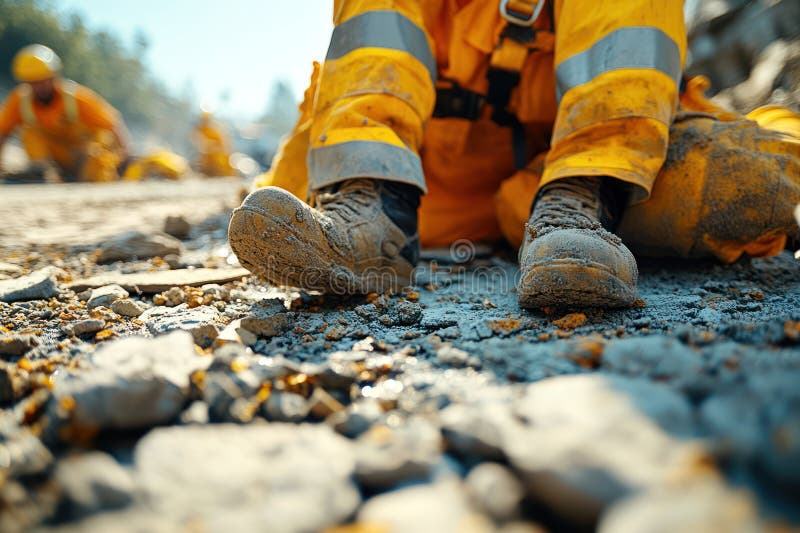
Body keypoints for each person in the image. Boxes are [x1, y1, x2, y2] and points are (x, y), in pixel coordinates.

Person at [228, 0, 800, 308]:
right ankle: (370, 211)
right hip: (419, 186)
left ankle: (577, 202)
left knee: (747, 179)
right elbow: (375, 54)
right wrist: (366, 184)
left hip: (580, 179)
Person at [0, 44, 131, 182]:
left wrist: (126, 156)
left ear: (54, 76)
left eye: (43, 80)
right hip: (54, 160)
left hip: (83, 154)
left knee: (98, 154)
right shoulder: (19, 101)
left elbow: (112, 123)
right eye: (33, 83)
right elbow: (2, 133)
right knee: (29, 133)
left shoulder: (76, 97)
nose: (39, 87)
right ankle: (41, 172)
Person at [192, 110, 236, 177]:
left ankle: (221, 173)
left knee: (220, 159)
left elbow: (224, 144)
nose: (205, 121)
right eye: (204, 119)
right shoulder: (200, 129)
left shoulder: (215, 130)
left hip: (217, 154)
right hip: (206, 154)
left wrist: (214, 147)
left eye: (206, 119)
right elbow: (197, 140)